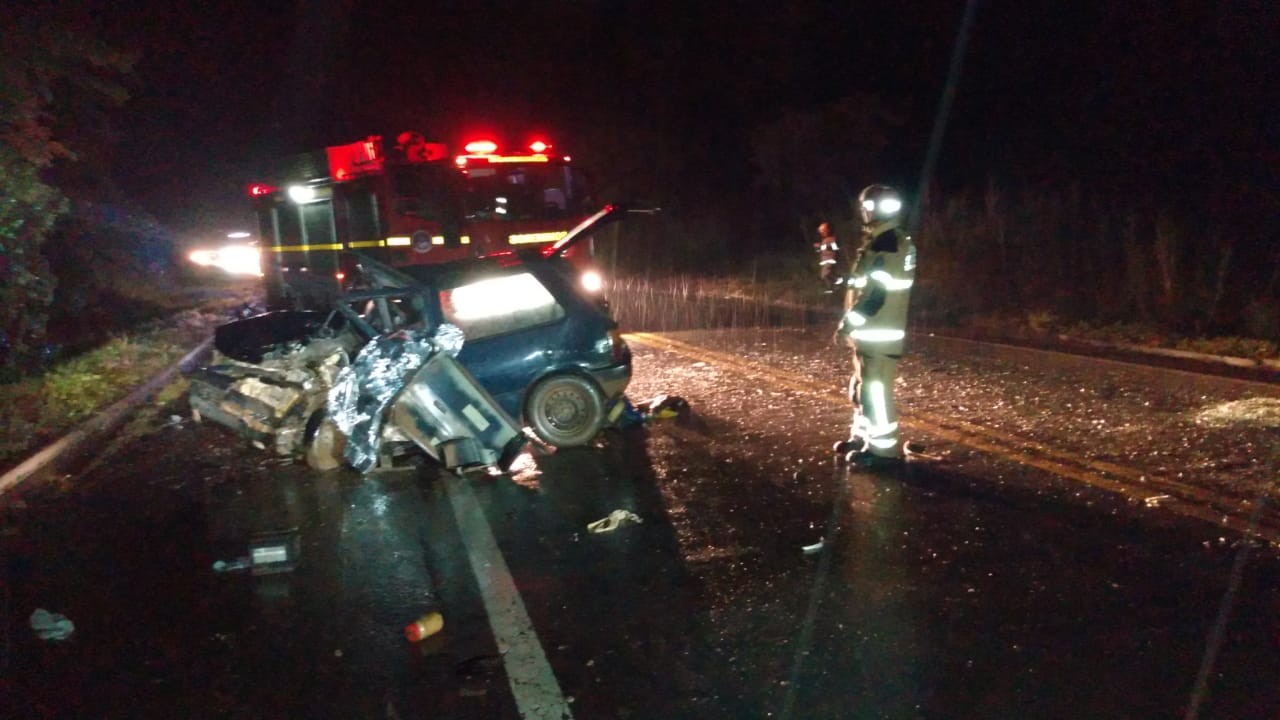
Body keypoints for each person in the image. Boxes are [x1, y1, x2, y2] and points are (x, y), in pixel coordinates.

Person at [832, 184, 917, 466]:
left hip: (879, 334)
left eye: (866, 209)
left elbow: (877, 295)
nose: (864, 214)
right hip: (869, 335)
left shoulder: (888, 243)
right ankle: (862, 438)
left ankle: (883, 452)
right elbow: (867, 285)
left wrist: (848, 323)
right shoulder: (880, 240)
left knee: (875, 393)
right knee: (861, 390)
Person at [814, 222, 845, 294]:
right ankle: (831, 288)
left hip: (830, 259)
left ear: (827, 230)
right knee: (824, 276)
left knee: (827, 275)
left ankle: (838, 281)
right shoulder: (825, 240)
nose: (822, 233)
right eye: (821, 232)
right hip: (825, 260)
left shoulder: (831, 239)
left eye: (823, 231)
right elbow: (822, 249)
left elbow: (835, 248)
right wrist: (819, 248)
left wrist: (822, 247)